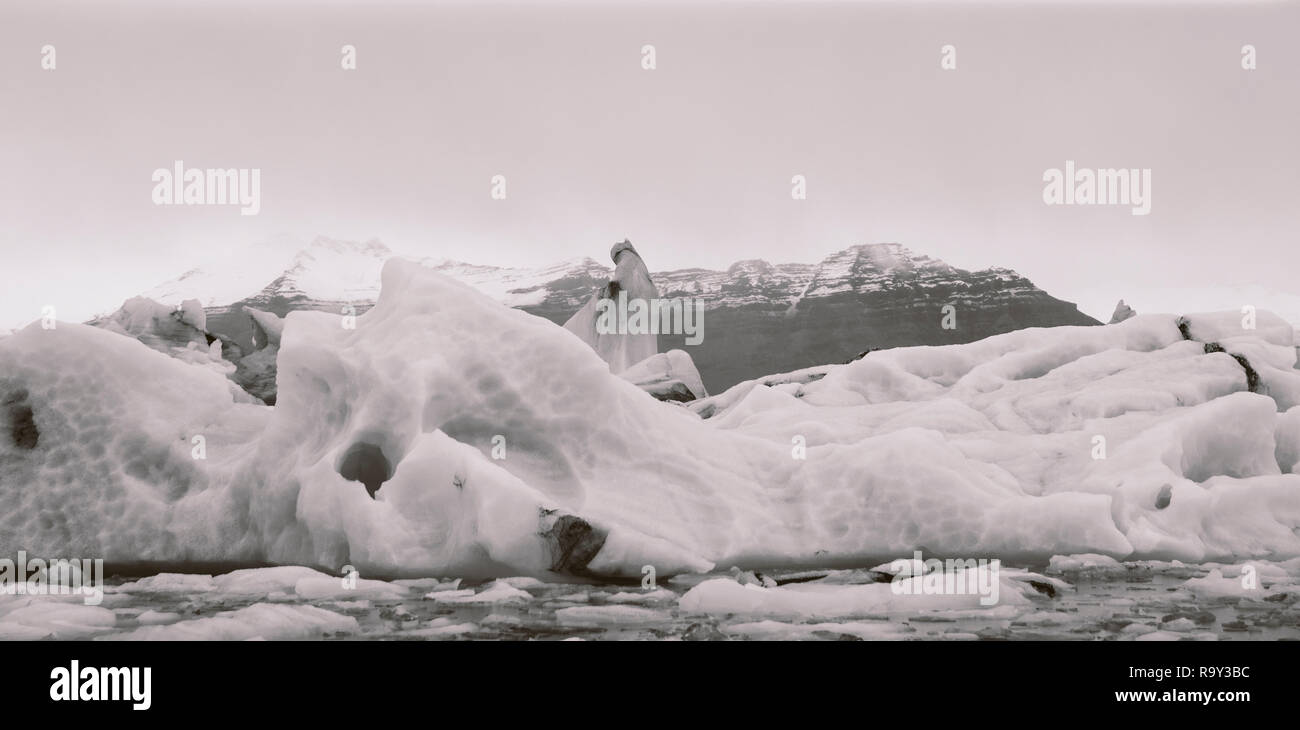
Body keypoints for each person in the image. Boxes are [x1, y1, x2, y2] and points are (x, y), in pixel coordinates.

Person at [563, 239, 659, 373]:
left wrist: (605, 294)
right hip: (640, 310)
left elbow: (620, 281)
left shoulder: (628, 260)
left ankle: (626, 373)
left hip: (628, 307)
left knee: (625, 346)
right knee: (637, 345)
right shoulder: (643, 270)